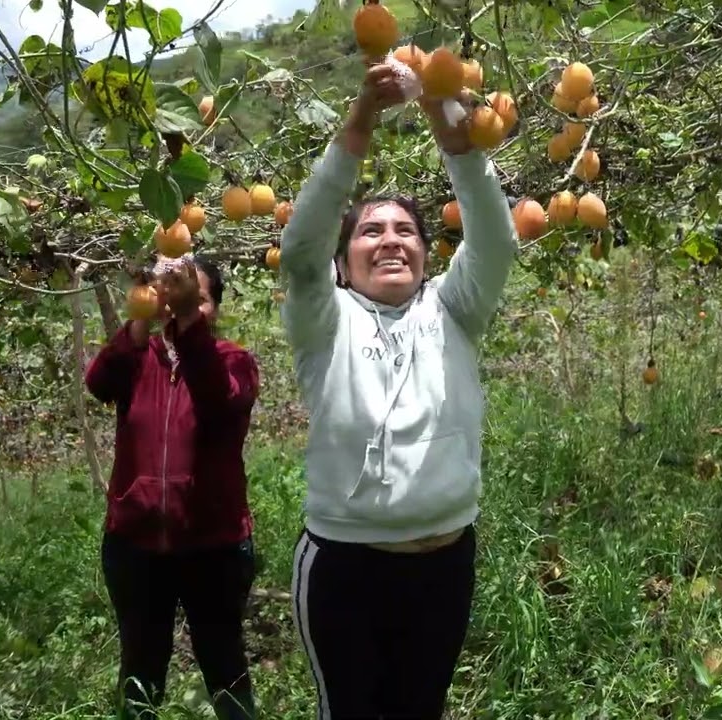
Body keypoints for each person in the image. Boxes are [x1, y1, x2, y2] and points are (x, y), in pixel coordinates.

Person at [277, 62, 517, 719]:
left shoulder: (454, 309)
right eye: (370, 231)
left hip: (445, 561)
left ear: (427, 256)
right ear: (342, 261)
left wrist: (451, 131)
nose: (390, 241)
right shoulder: (325, 319)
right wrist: (359, 123)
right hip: (345, 565)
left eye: (405, 231)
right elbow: (299, 252)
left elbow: (495, 240)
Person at [84, 255, 261, 719]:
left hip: (214, 545)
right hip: (135, 545)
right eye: (175, 297)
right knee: (140, 670)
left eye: (198, 300)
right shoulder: (138, 360)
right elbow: (98, 383)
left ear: (215, 308)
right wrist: (141, 321)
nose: (185, 307)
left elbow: (218, 399)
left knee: (225, 664)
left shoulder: (234, 362)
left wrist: (187, 323)